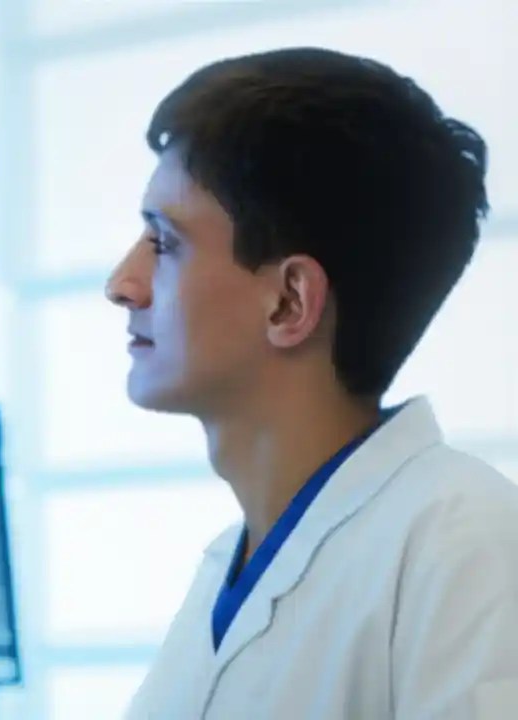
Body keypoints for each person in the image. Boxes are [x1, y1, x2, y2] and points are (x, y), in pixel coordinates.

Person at [106, 47, 518, 718]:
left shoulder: (465, 545)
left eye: (164, 242)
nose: (122, 284)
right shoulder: (227, 572)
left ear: (290, 302)